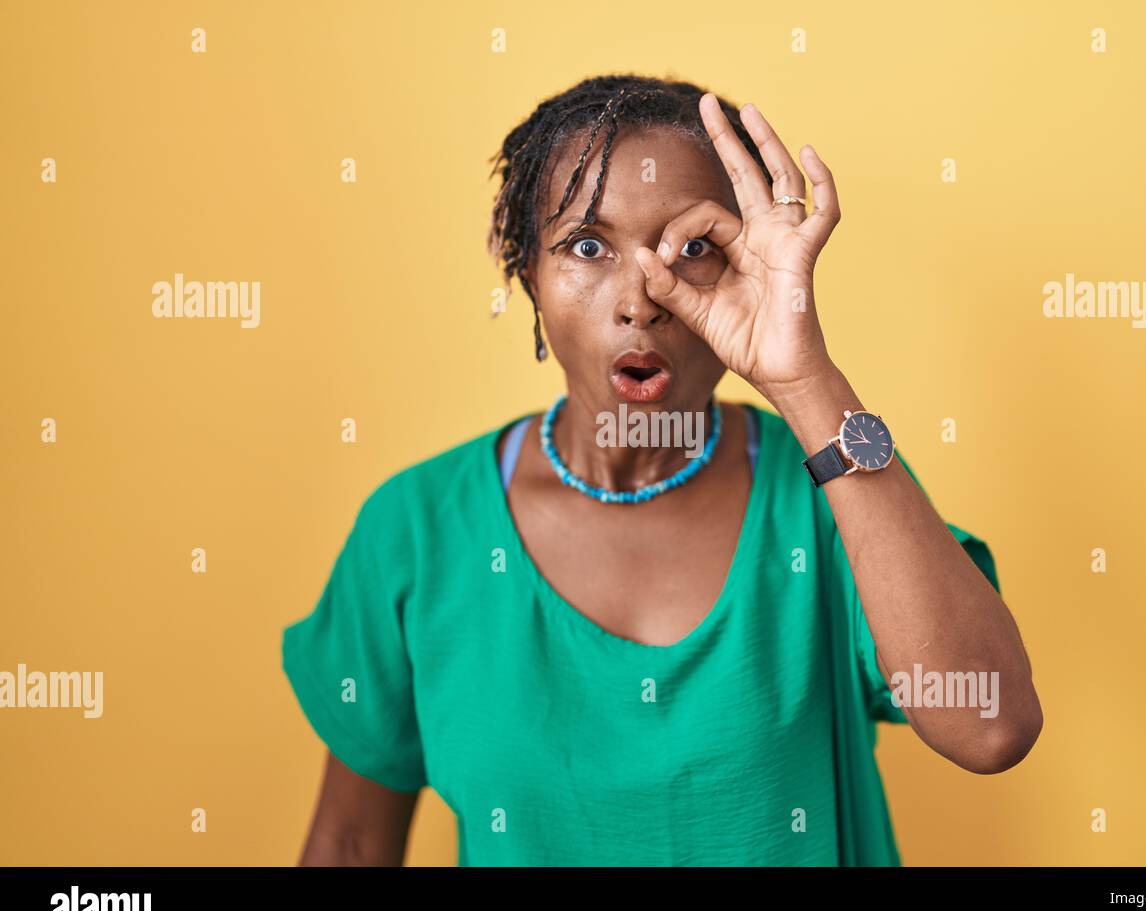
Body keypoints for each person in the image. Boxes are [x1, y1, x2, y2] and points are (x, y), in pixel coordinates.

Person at [282, 73, 1042, 866]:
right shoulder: (415, 531)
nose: (642, 297)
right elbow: (350, 841)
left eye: (696, 250)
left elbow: (992, 727)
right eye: (586, 245)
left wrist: (804, 377)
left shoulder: (831, 492)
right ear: (526, 274)